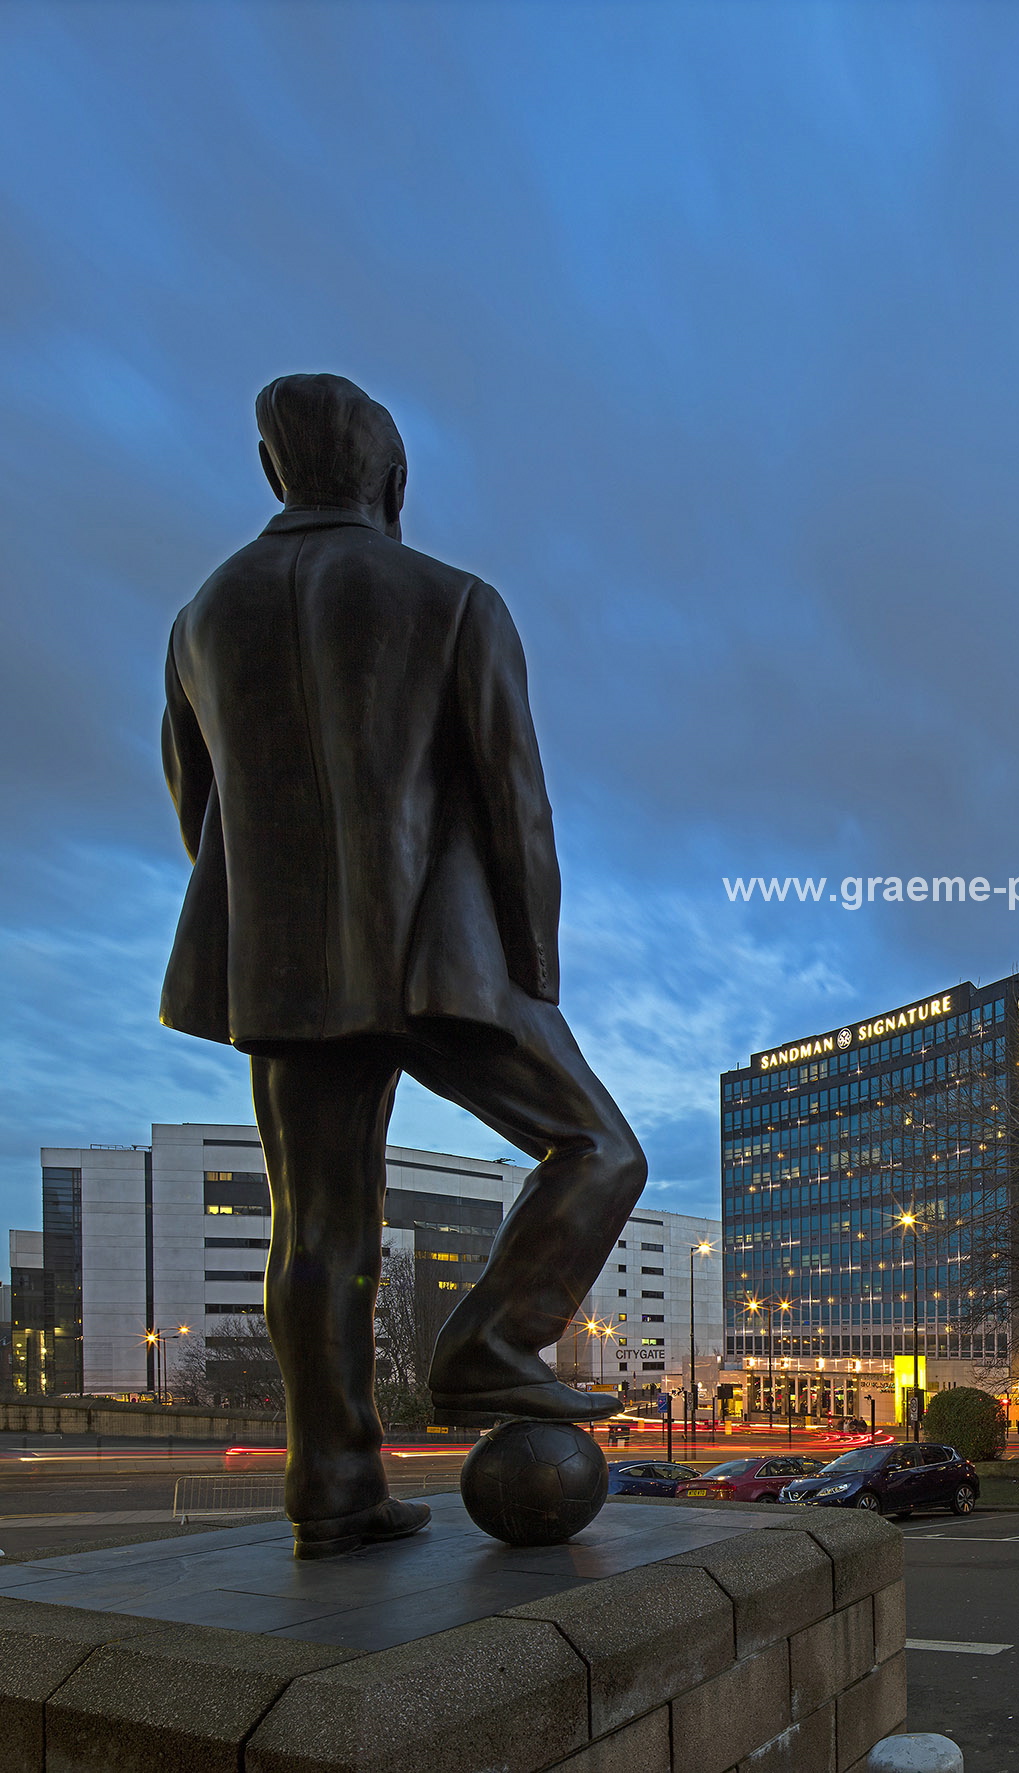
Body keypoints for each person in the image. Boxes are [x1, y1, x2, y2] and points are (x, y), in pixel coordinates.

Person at [160, 374, 646, 1558]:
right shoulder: (452, 598)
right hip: (440, 952)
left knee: (314, 1231)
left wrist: (274, 927)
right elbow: (515, 805)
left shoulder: (202, 618)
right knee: (599, 1148)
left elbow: (196, 802)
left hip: (283, 965)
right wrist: (533, 966)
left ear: (276, 474)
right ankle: (488, 1344)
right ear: (392, 480)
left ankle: (332, 1487)